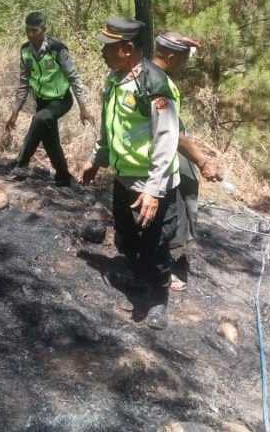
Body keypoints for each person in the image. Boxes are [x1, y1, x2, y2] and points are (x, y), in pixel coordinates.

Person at [81, 16, 180, 330]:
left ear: (126, 49)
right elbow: (110, 125)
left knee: (155, 243)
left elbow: (167, 138)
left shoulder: (155, 85)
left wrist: (154, 189)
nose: (102, 52)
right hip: (124, 176)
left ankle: (157, 300)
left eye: (108, 47)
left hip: (151, 181)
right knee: (126, 236)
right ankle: (138, 279)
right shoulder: (115, 79)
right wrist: (97, 159)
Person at [152, 32, 223, 291]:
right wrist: (203, 161)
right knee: (186, 185)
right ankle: (173, 258)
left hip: (152, 146)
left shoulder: (146, 72)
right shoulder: (160, 83)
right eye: (184, 59)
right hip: (155, 151)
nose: (186, 65)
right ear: (171, 57)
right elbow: (173, 134)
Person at [6, 11, 94, 186]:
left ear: (44, 29)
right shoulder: (25, 51)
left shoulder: (57, 49)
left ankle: (21, 165)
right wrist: (15, 112)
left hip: (61, 100)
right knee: (49, 139)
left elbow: (74, 78)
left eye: (35, 30)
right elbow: (24, 83)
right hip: (42, 101)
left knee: (40, 119)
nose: (30, 35)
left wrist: (83, 108)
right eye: (27, 31)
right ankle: (63, 177)